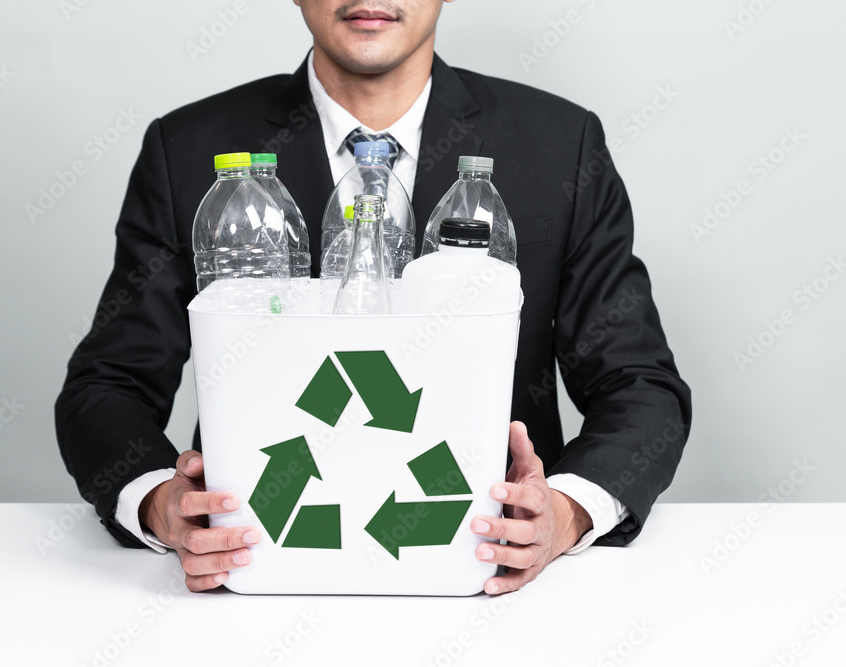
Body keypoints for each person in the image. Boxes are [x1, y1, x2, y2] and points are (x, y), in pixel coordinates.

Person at [55, 0, 692, 595]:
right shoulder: (190, 149)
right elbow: (108, 383)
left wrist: (569, 509)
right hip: (259, 562)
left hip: (485, 573)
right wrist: (156, 503)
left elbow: (638, 383)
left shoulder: (558, 144)